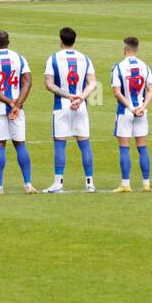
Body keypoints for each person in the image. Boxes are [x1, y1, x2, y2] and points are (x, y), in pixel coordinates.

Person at [42, 27, 97, 193]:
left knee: (60, 143)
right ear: (74, 40)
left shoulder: (53, 58)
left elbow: (49, 84)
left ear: (61, 40)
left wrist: (69, 96)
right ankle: (90, 183)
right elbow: (93, 83)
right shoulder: (85, 58)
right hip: (81, 105)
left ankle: (58, 182)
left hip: (62, 105)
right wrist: (80, 98)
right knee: (84, 143)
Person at [0, 30, 36, 194]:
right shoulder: (19, 58)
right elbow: (28, 83)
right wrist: (17, 104)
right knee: (20, 144)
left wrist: (8, 102)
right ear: (8, 42)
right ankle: (28, 184)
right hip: (17, 110)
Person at [109, 35, 152, 193]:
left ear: (125, 48)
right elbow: (151, 89)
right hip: (142, 112)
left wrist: (131, 108)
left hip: (125, 112)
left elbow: (116, 92)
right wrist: (142, 107)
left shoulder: (118, 67)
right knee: (142, 147)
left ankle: (126, 184)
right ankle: (146, 183)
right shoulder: (145, 66)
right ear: (137, 49)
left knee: (124, 148)